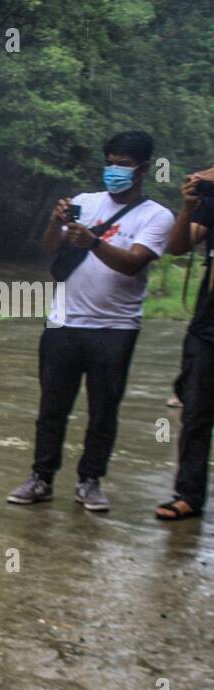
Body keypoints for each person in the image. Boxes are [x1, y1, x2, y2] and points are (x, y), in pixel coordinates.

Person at [7, 130, 174, 512]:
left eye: (124, 164)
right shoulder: (85, 202)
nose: (114, 170)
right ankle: (41, 478)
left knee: (103, 409)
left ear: (144, 169)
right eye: (110, 161)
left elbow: (133, 263)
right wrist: (55, 222)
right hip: (63, 323)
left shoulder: (157, 216)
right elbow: (50, 248)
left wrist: (94, 243)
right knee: (52, 406)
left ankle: (90, 481)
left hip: (115, 328)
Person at [155, 167, 214, 521]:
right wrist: (189, 206)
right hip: (208, 324)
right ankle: (188, 494)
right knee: (195, 414)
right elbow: (177, 247)